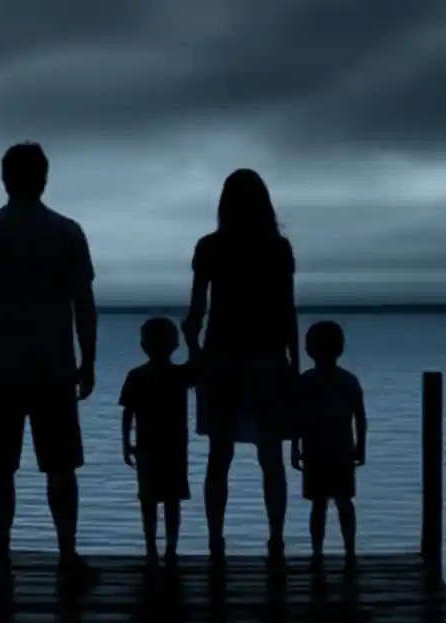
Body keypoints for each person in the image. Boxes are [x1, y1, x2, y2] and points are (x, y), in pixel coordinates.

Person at [0, 142, 98, 581]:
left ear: (5, 179)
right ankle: (67, 552)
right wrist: (88, 360)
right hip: (53, 366)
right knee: (61, 467)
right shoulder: (67, 232)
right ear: (44, 178)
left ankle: (1, 551)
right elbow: (84, 305)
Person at [182, 168, 299, 564]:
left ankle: (216, 539)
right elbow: (287, 312)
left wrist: (194, 352)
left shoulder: (210, 247)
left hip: (222, 358)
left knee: (220, 454)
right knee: (271, 457)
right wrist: (294, 365)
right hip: (267, 359)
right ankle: (276, 538)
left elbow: (196, 310)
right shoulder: (277, 248)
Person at [120, 317, 196, 567]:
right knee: (171, 501)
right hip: (173, 448)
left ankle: (152, 547)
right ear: (174, 344)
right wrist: (192, 339)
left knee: (149, 500)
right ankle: (170, 548)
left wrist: (125, 444)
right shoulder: (180, 375)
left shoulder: (136, 376)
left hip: (148, 447)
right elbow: (201, 365)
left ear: (143, 345)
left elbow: (127, 414)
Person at [292, 321, 366, 569]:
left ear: (309, 349)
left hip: (316, 451)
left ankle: (318, 551)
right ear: (340, 349)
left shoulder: (306, 381)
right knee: (342, 502)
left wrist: (294, 447)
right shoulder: (349, 381)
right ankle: (349, 550)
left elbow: (296, 420)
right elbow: (360, 418)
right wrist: (361, 446)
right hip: (340, 450)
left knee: (319, 505)